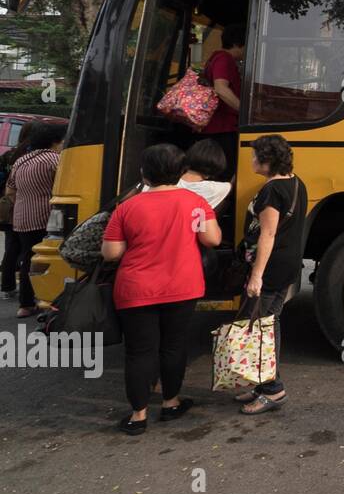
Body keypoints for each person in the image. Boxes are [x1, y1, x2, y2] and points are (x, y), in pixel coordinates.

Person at [101, 144, 220, 434]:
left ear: (144, 172)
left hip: (136, 289)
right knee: (173, 345)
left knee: (140, 351)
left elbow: (111, 253)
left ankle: (138, 415)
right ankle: (170, 403)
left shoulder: (127, 208)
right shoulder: (196, 203)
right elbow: (212, 240)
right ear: (180, 172)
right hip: (183, 286)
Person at [233, 135, 307, 415]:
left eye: (255, 156)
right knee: (269, 323)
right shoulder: (296, 182)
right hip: (286, 265)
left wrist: (257, 275)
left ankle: (272, 390)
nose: (251, 160)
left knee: (261, 329)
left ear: (268, 161)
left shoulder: (272, 191)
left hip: (272, 268)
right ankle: (261, 384)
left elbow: (268, 233)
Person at [7, 121, 65, 317]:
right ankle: (46, 299)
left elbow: (10, 190)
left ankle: (25, 305)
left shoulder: (21, 161)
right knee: (47, 259)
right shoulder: (55, 160)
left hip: (21, 217)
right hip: (46, 217)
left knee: (27, 258)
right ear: (56, 141)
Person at [199, 24, 245, 180]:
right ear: (238, 44)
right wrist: (245, 111)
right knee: (223, 174)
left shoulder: (216, 58)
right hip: (222, 128)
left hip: (219, 128)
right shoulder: (224, 59)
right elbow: (221, 88)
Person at [0, 121, 38, 301]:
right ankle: (27, 291)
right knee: (27, 251)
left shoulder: (9, 154)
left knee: (11, 247)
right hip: (26, 207)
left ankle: (7, 287)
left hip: (8, 205)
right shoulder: (31, 155)